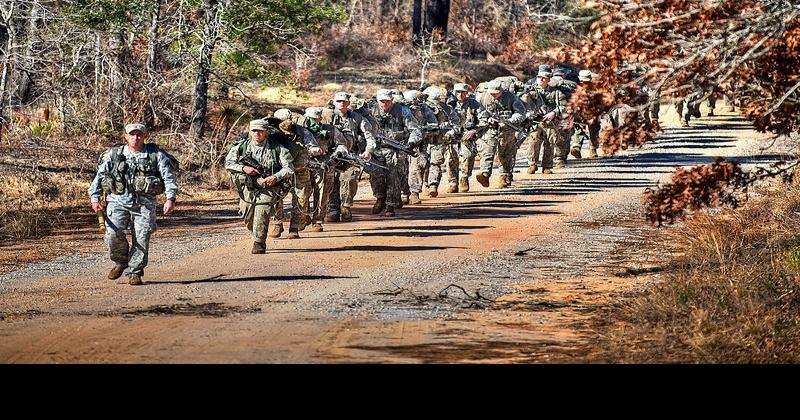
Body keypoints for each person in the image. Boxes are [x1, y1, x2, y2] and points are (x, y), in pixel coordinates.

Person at [88, 123, 178, 285]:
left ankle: (135, 272)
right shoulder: (114, 154)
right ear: (125, 136)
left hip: (144, 204)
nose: (136, 138)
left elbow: (168, 177)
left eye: (139, 134)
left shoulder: (155, 154)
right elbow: (100, 176)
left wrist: (170, 198)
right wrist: (94, 198)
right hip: (117, 202)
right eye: (132, 134)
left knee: (142, 237)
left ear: (145, 136)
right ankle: (120, 261)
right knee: (113, 234)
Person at [225, 118, 294, 254]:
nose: (257, 134)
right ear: (250, 132)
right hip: (247, 186)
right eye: (254, 131)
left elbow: (289, 168)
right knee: (247, 215)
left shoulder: (278, 149)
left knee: (262, 212)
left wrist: (275, 177)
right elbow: (228, 164)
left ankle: (259, 243)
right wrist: (244, 168)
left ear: (266, 132)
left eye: (260, 131)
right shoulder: (241, 147)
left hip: (269, 187)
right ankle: (256, 232)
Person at [321, 92, 377, 222]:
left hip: (350, 156)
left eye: (344, 101)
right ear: (334, 102)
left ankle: (346, 205)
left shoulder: (357, 118)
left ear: (348, 103)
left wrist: (368, 151)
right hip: (329, 156)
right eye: (339, 101)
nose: (341, 103)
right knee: (330, 182)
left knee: (350, 178)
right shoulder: (325, 116)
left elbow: (369, 135)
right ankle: (332, 208)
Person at [268, 109, 321, 239]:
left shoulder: (302, 131)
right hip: (280, 171)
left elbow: (314, 147)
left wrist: (305, 151)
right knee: (276, 197)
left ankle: (294, 228)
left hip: (300, 170)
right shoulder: (271, 132)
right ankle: (277, 223)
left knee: (301, 199)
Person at [368, 88, 422, 216]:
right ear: (377, 100)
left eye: (387, 101)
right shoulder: (370, 111)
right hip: (376, 149)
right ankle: (380, 198)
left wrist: (411, 143)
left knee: (394, 176)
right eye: (382, 101)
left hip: (396, 150)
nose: (384, 104)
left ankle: (390, 205)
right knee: (375, 176)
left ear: (392, 100)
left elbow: (415, 130)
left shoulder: (403, 111)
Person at [475, 79, 525, 188]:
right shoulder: (482, 97)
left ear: (501, 90)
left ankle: (504, 176)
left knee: (506, 154)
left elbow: (521, 113)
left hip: (507, 130)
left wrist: (509, 121)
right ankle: (485, 174)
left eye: (496, 93)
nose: (493, 95)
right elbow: (477, 112)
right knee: (486, 151)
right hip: (489, 129)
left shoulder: (512, 97)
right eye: (491, 93)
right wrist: (487, 119)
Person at [451, 83, 489, 192]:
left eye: (463, 92)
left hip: (468, 136)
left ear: (467, 93)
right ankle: (452, 182)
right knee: (451, 158)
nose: (460, 94)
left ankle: (464, 178)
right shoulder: (449, 104)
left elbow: (484, 120)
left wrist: (474, 130)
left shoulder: (474, 104)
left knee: (468, 156)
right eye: (458, 92)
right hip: (452, 135)